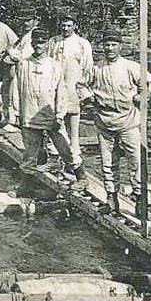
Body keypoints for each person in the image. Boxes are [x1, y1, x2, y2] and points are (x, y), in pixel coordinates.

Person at [80, 30, 151, 215]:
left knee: (136, 161)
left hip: (128, 121)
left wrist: (141, 96)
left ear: (120, 46)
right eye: (107, 45)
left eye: (113, 44)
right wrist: (89, 99)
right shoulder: (96, 68)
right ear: (102, 47)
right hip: (105, 121)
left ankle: (139, 198)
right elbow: (81, 85)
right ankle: (111, 198)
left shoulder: (131, 67)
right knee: (108, 162)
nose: (110, 48)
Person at [7, 28, 86, 188]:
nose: (38, 45)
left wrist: (59, 114)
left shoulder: (54, 66)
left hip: (50, 114)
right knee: (30, 152)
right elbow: (16, 88)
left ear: (47, 45)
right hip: (29, 113)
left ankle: (81, 176)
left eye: (42, 42)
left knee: (64, 147)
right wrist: (16, 111)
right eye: (35, 42)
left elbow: (61, 92)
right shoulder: (23, 64)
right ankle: (26, 186)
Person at [46, 12, 94, 179]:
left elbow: (88, 68)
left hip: (73, 89)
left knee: (73, 129)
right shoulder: (53, 42)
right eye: (63, 25)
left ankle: (75, 164)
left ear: (75, 25)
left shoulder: (82, 44)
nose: (65, 28)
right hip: (55, 90)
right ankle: (58, 161)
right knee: (56, 126)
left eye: (69, 25)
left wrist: (82, 90)